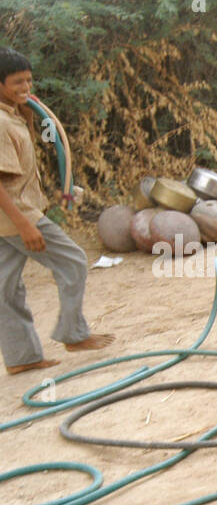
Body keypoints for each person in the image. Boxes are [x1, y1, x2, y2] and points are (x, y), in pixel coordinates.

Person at [0, 47, 114, 375]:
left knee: (5, 287)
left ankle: (22, 358)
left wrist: (27, 114)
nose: (25, 87)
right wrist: (25, 225)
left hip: (9, 218)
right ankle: (73, 334)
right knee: (73, 260)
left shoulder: (12, 114)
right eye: (17, 82)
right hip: (16, 214)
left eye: (29, 80)